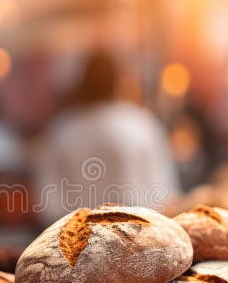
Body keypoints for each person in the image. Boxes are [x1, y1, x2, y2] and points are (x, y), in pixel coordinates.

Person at [33, 51, 180, 225]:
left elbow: (49, 202)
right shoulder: (141, 125)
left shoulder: (63, 130)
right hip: (139, 233)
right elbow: (166, 193)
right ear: (118, 81)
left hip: (77, 236)